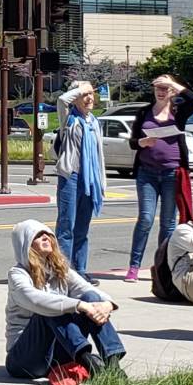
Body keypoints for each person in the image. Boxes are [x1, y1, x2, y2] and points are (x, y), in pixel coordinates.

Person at [4, 221, 125, 383]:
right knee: (48, 308)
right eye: (38, 236)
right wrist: (78, 305)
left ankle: (112, 362)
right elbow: (33, 298)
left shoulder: (59, 269)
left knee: (91, 298)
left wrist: (108, 304)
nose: (45, 237)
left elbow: (88, 290)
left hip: (58, 354)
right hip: (25, 361)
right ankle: (87, 360)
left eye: (47, 234)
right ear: (25, 244)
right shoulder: (17, 274)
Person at [126, 75, 193, 283]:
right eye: (158, 87)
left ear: (172, 90)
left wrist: (175, 85)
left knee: (168, 223)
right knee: (145, 219)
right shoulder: (144, 112)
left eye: (165, 88)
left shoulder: (179, 111)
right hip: (147, 172)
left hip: (172, 172)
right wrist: (142, 142)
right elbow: (132, 142)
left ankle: (162, 266)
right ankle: (134, 266)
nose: (161, 91)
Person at [53, 82, 107, 274]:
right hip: (70, 177)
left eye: (92, 94)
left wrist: (101, 182)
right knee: (66, 228)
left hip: (90, 179)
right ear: (75, 97)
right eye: (85, 94)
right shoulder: (69, 118)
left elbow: (99, 154)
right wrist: (80, 89)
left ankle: (80, 272)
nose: (90, 98)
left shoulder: (94, 122)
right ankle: (63, 272)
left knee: (82, 230)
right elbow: (61, 100)